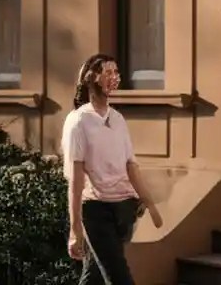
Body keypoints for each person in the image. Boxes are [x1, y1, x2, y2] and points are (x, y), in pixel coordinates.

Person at [62, 53, 163, 285]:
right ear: (91, 78)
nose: (115, 77)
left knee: (94, 275)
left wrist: (151, 205)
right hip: (96, 210)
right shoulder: (78, 121)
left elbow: (131, 166)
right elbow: (76, 180)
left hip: (124, 210)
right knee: (119, 277)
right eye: (108, 72)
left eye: (117, 73)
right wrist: (75, 228)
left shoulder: (118, 119)